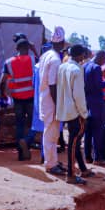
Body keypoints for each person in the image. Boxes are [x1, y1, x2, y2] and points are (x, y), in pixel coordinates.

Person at [56, 44, 93, 184]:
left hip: (65, 109)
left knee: (74, 142)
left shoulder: (62, 66)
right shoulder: (77, 70)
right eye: (83, 55)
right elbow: (79, 95)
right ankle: (71, 175)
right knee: (73, 143)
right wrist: (84, 113)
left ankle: (83, 169)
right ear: (80, 55)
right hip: (75, 112)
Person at [0, 35, 36, 160]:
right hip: (31, 97)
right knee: (34, 124)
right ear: (27, 47)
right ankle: (27, 141)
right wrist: (34, 49)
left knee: (19, 124)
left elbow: (2, 81)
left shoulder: (8, 62)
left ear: (17, 48)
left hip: (17, 98)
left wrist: (2, 95)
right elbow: (42, 63)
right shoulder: (33, 59)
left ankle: (21, 153)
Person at [38, 28, 67, 175]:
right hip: (51, 100)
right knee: (51, 133)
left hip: (46, 97)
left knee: (52, 133)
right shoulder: (55, 59)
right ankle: (50, 164)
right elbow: (53, 84)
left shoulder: (46, 55)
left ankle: (53, 161)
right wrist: (58, 103)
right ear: (62, 43)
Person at [83, 49, 105, 164]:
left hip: (86, 102)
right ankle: (97, 158)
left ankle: (87, 156)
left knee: (88, 131)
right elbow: (99, 85)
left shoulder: (85, 66)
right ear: (102, 58)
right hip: (97, 103)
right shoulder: (97, 68)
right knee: (98, 130)